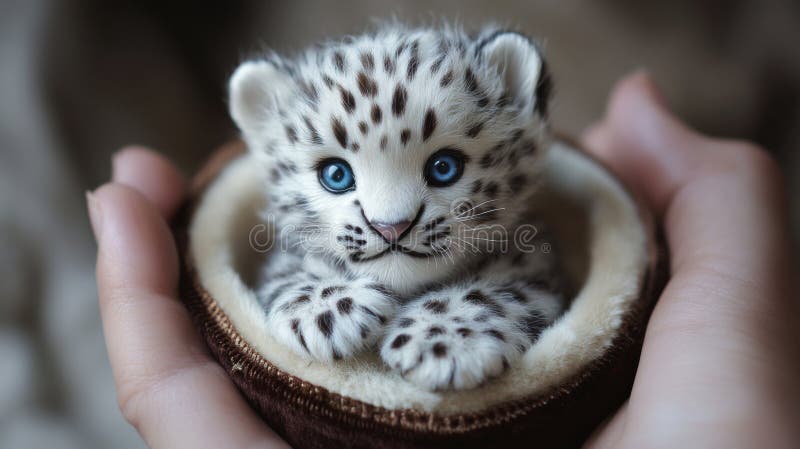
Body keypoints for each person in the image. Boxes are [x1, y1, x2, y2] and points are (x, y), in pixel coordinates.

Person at [87, 72, 799, 449]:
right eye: (338, 173)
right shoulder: (293, 253)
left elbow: (539, 287)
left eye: (445, 163)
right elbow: (283, 283)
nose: (390, 216)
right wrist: (304, 297)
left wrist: (477, 313)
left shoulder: (528, 247)